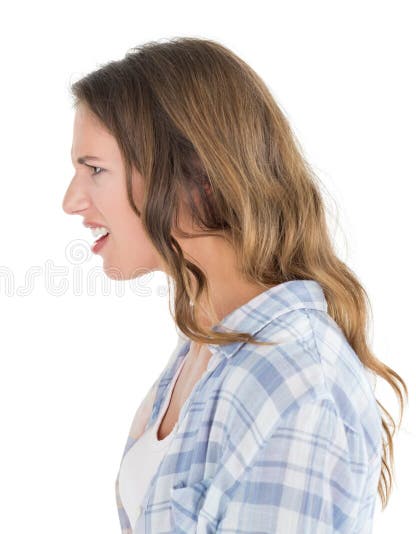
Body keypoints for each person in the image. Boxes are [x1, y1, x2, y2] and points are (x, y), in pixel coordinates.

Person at [62, 37, 407, 533]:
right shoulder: (209, 340)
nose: (72, 201)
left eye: (95, 170)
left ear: (195, 178)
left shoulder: (295, 384)